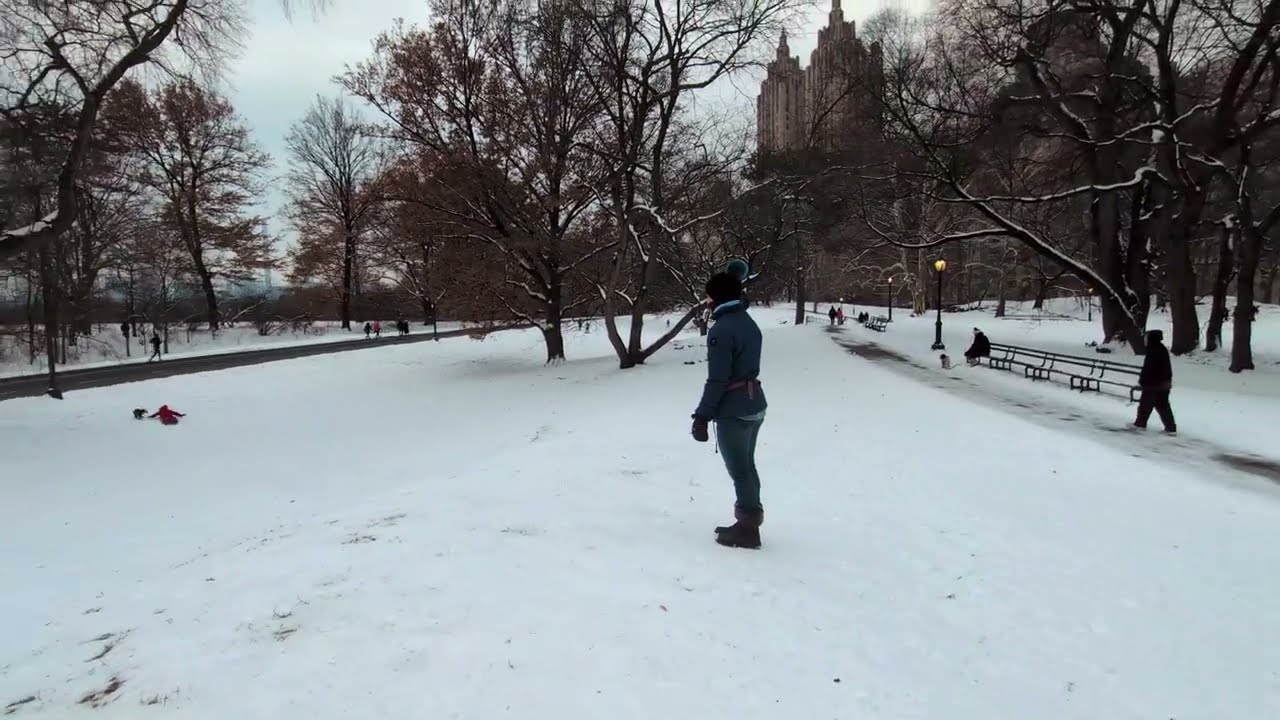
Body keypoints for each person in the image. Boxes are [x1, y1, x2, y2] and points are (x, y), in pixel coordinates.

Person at [690, 272, 768, 549]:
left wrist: (702, 416)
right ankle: (748, 521)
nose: (707, 301)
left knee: (740, 471)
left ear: (717, 298)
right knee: (747, 466)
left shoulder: (722, 330)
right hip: (755, 403)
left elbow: (718, 379)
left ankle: (748, 529)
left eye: (709, 296)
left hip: (734, 409)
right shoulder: (748, 322)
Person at [1134, 329, 1176, 434]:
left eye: (1146, 338)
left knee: (1145, 405)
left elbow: (1149, 368)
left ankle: (1140, 424)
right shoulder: (1161, 349)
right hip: (1163, 383)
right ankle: (1171, 428)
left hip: (1153, 383)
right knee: (1163, 406)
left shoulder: (1153, 350)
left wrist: (1143, 380)